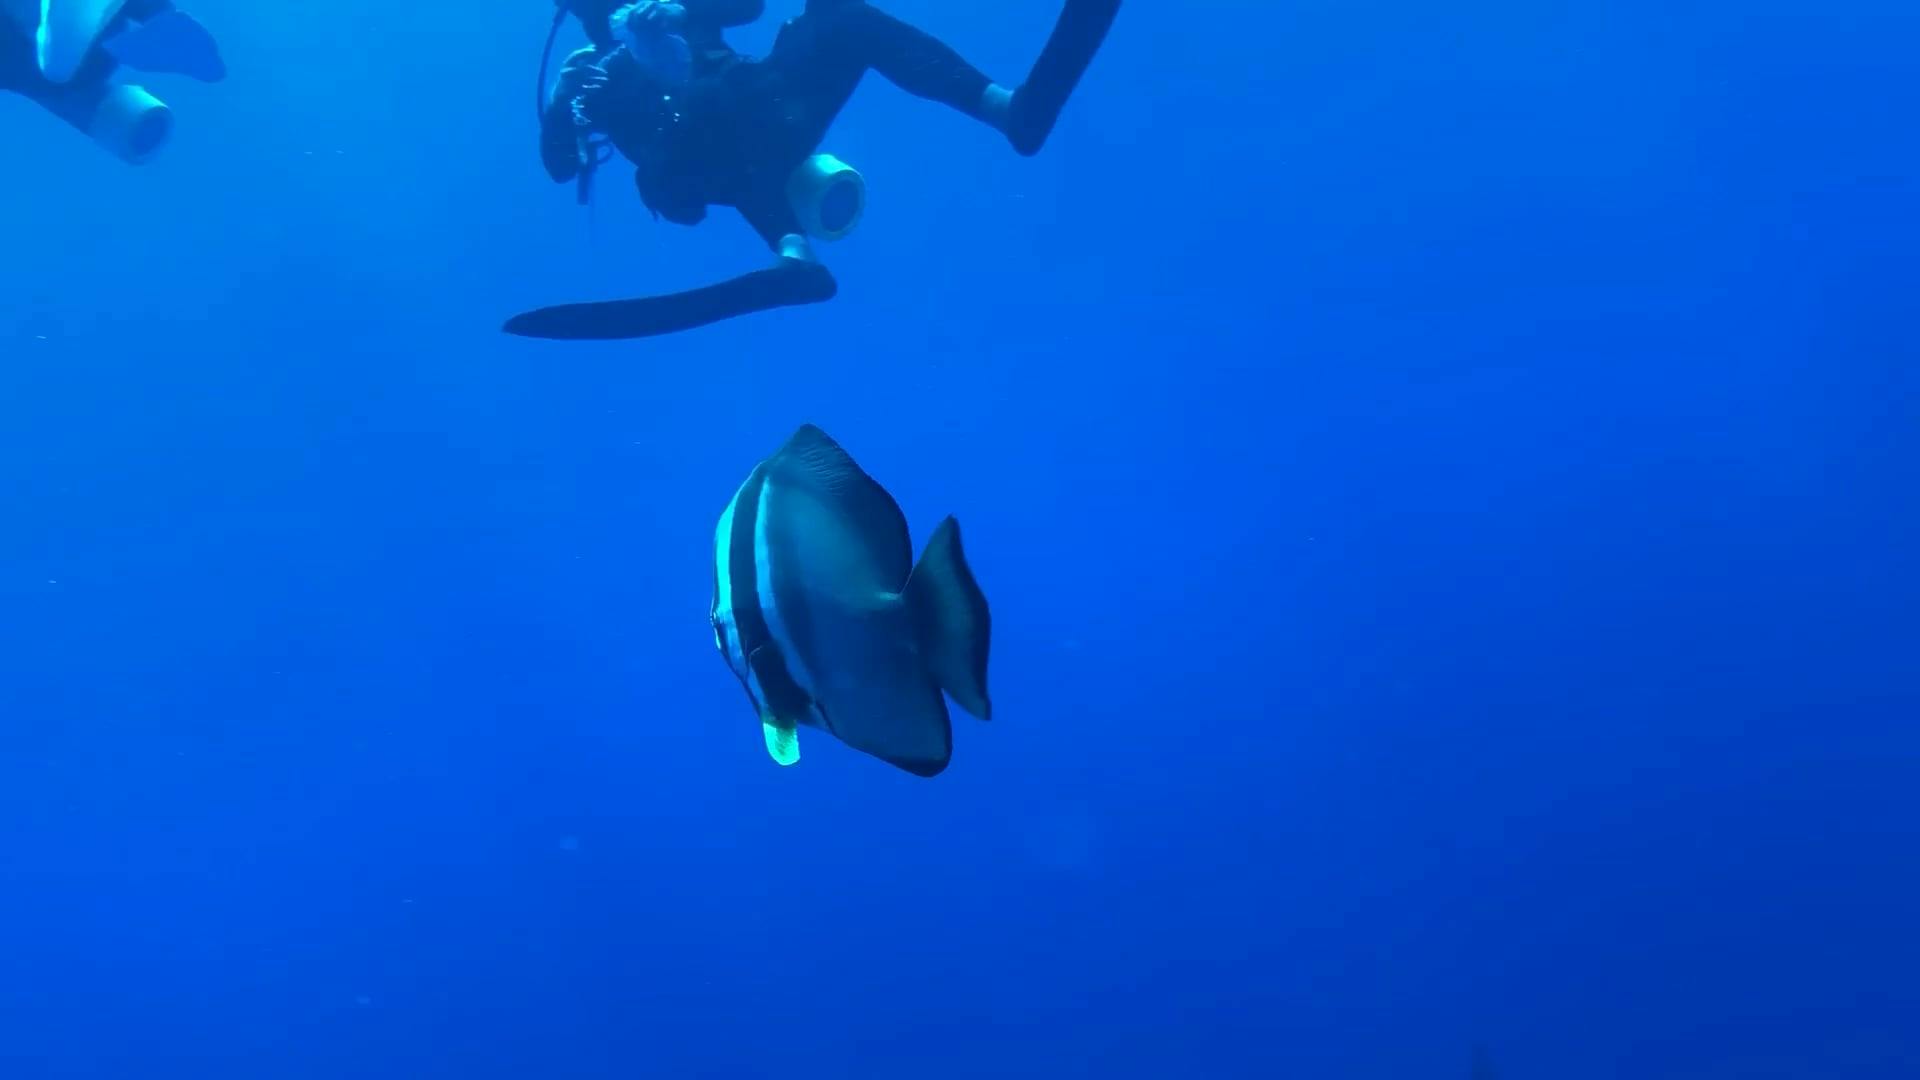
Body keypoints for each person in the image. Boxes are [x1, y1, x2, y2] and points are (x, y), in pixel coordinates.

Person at [505, 0, 1121, 341]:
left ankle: (1012, 111)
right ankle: (793, 253)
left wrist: (678, 11)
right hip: (705, 165)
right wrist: (562, 104)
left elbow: (747, 4)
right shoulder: (590, 69)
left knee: (840, 18)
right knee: (697, 113)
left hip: (764, 119)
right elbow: (562, 167)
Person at [1, 0, 224, 164]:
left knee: (42, 73)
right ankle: (157, 14)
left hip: (77, 59)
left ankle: (58, 49)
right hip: (104, 40)